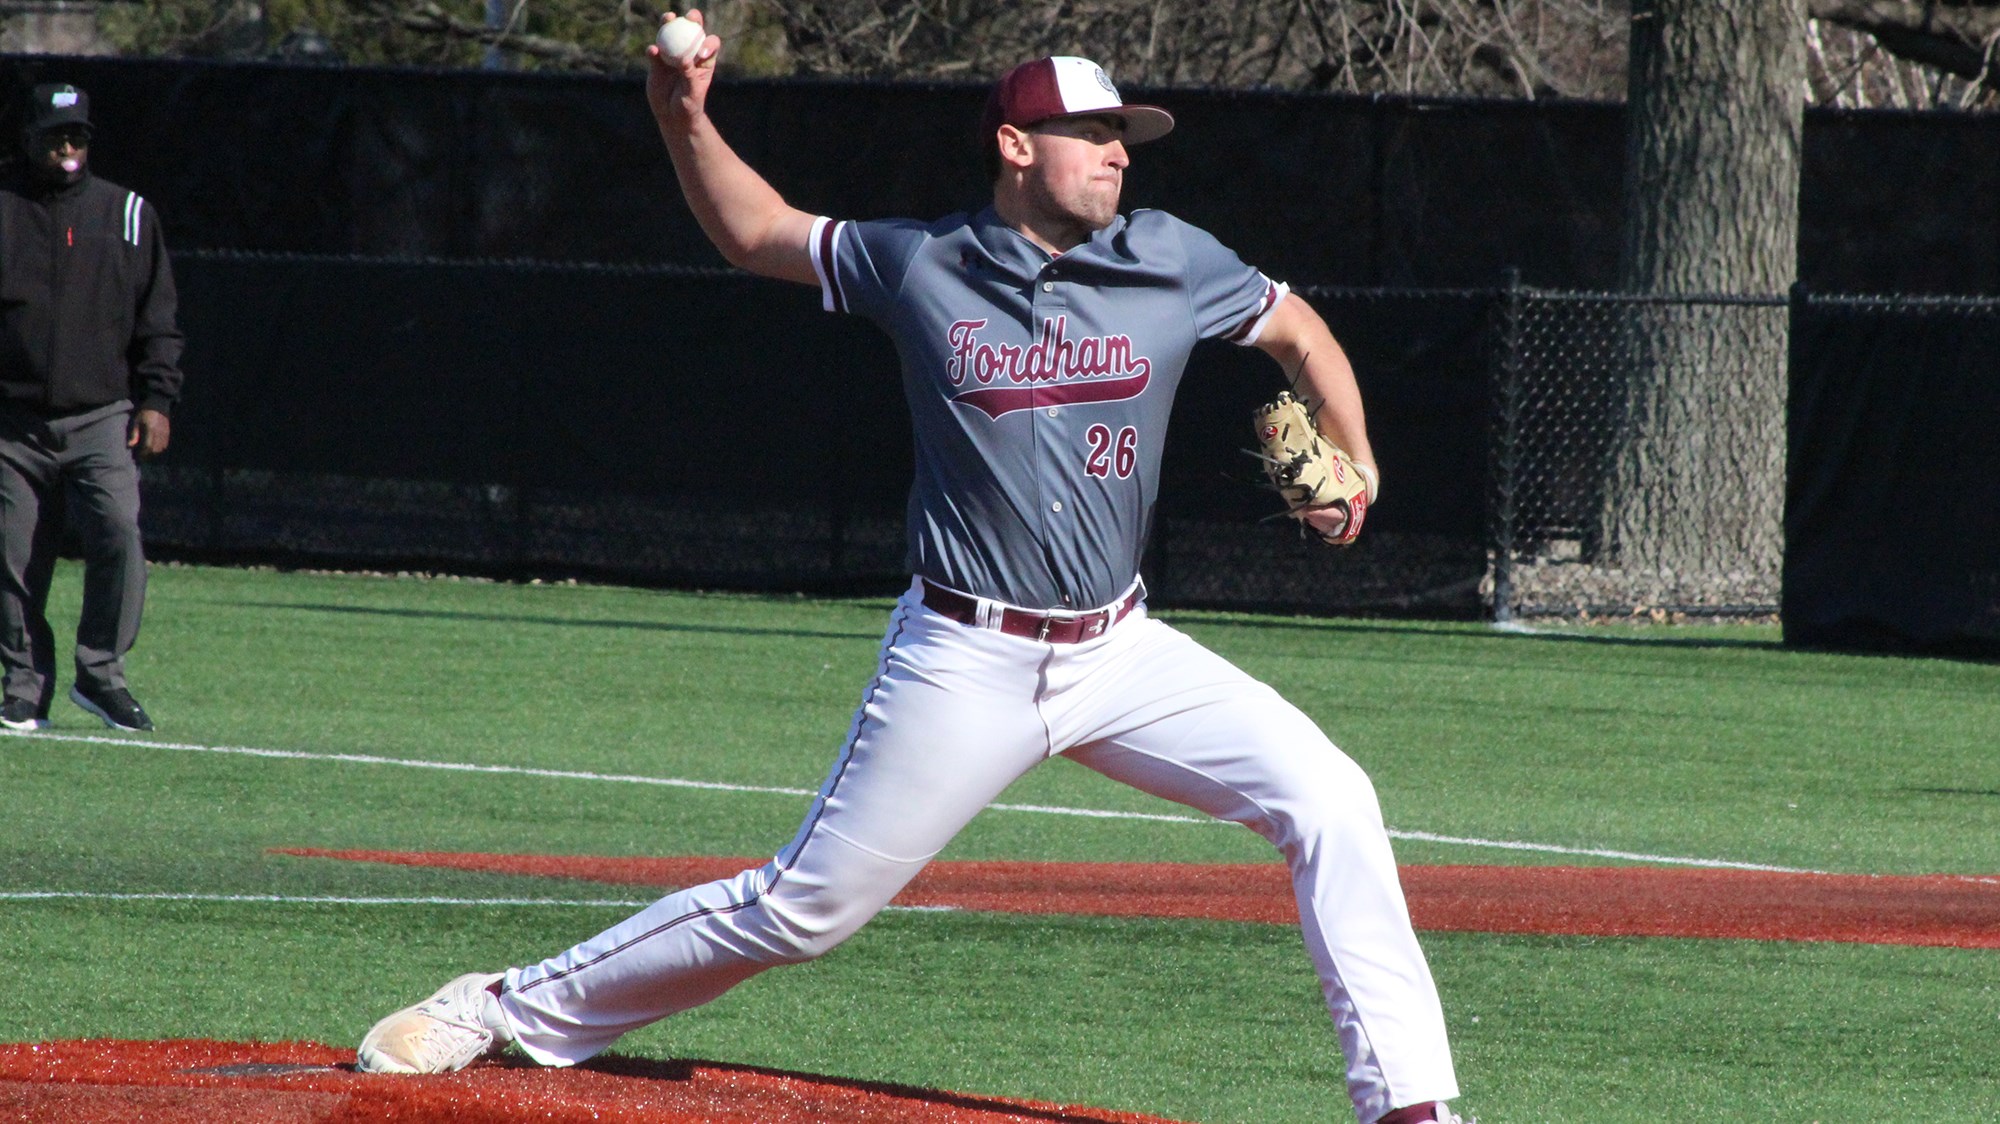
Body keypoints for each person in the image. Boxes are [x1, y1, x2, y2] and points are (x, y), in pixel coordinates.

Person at [358, 16, 1464, 1124]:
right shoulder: (923, 261)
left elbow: (1298, 330)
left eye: (1124, 134)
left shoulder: (1170, 257)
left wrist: (1355, 451)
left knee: (1330, 798)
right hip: (964, 654)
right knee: (804, 908)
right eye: (1090, 131)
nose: (1119, 150)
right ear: (1015, 146)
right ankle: (501, 1005)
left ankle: (1409, 1107)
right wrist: (679, 114)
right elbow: (755, 232)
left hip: (1121, 650)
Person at [0, 82, 181, 734]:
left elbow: (157, 320)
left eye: (77, 136)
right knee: (12, 558)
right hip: (12, 424)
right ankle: (22, 689)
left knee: (118, 535)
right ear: (31, 140)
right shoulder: (4, 208)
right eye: (55, 136)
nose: (68, 148)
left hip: (101, 414)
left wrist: (157, 400)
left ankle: (100, 677)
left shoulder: (127, 214)